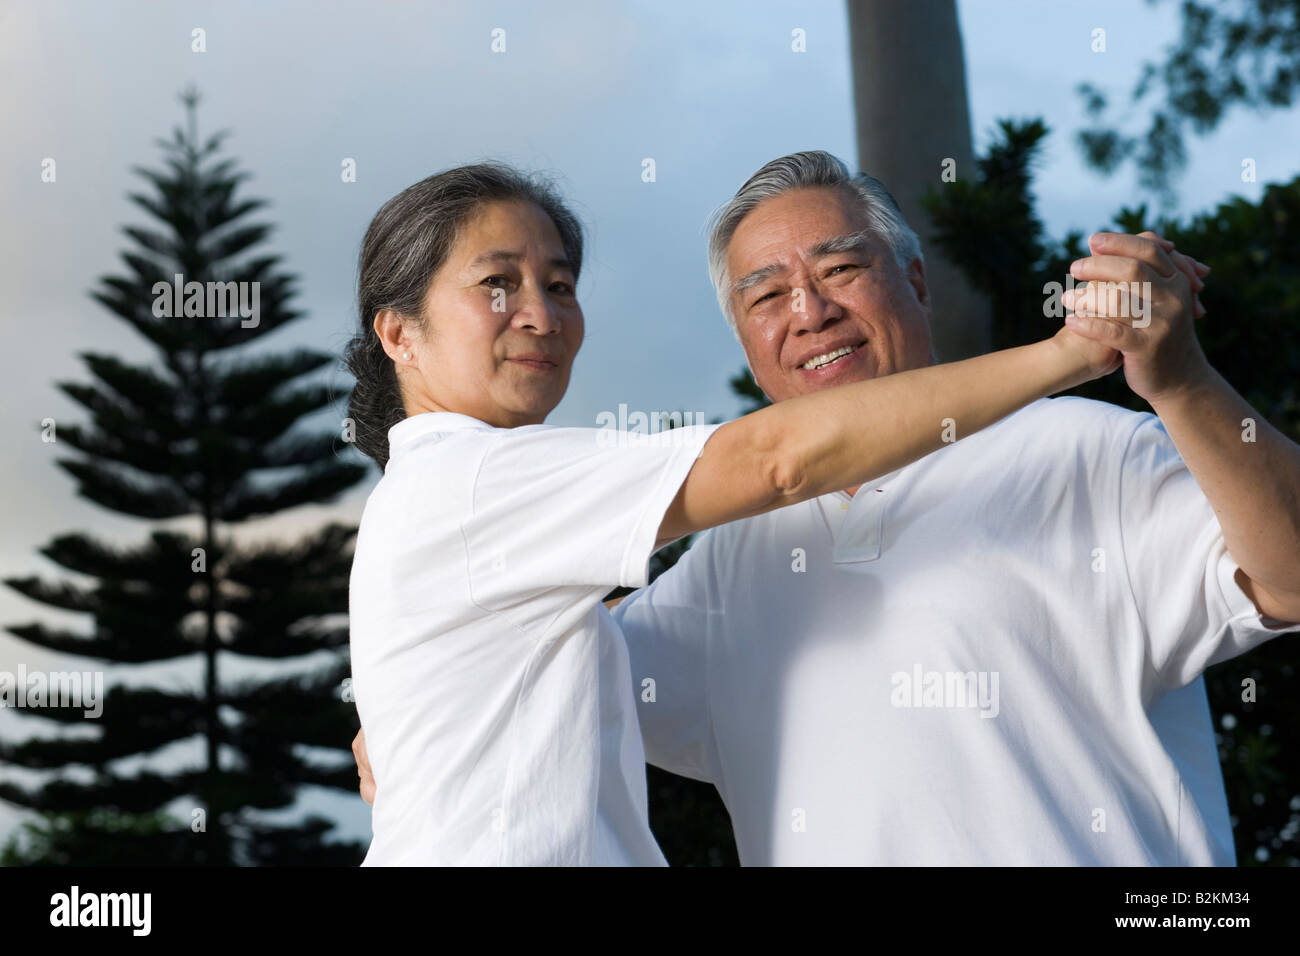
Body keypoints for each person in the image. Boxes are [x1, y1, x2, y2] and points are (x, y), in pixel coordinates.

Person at [355, 151, 1299, 865]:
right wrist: (420, 717)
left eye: (840, 270)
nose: (808, 311)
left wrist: (1179, 382)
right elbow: (568, 677)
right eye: (766, 294)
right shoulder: (731, 555)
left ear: (916, 280)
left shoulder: (1086, 452)